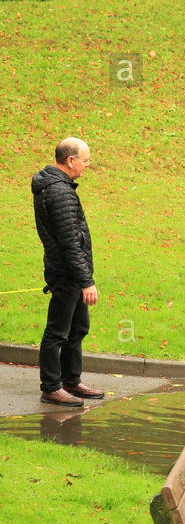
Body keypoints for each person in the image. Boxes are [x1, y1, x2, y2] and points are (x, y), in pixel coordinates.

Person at [32, 138, 103, 407]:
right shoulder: (59, 192)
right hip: (66, 273)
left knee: (78, 328)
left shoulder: (58, 187)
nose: (87, 165)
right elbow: (69, 241)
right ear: (70, 160)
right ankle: (52, 387)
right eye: (85, 160)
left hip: (71, 271)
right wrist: (86, 281)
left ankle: (71, 380)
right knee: (58, 331)